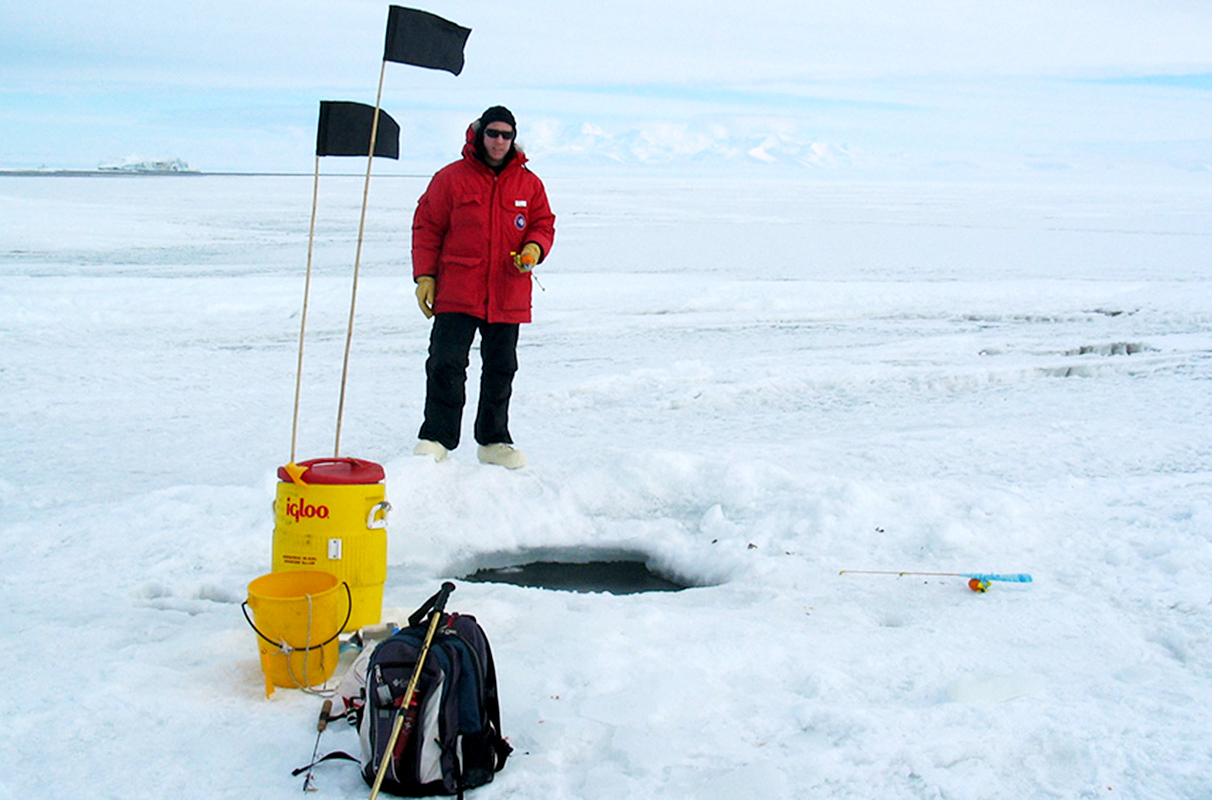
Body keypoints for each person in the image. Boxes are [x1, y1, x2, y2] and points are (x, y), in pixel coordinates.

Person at [410, 106, 556, 469]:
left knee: (501, 367)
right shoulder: (450, 179)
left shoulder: (529, 183)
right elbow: (427, 227)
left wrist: (534, 247)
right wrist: (425, 276)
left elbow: (543, 222)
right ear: (479, 133)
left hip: (507, 292)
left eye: (506, 135)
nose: (499, 141)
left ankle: (493, 440)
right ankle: (437, 438)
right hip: (458, 290)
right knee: (445, 363)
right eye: (493, 133)